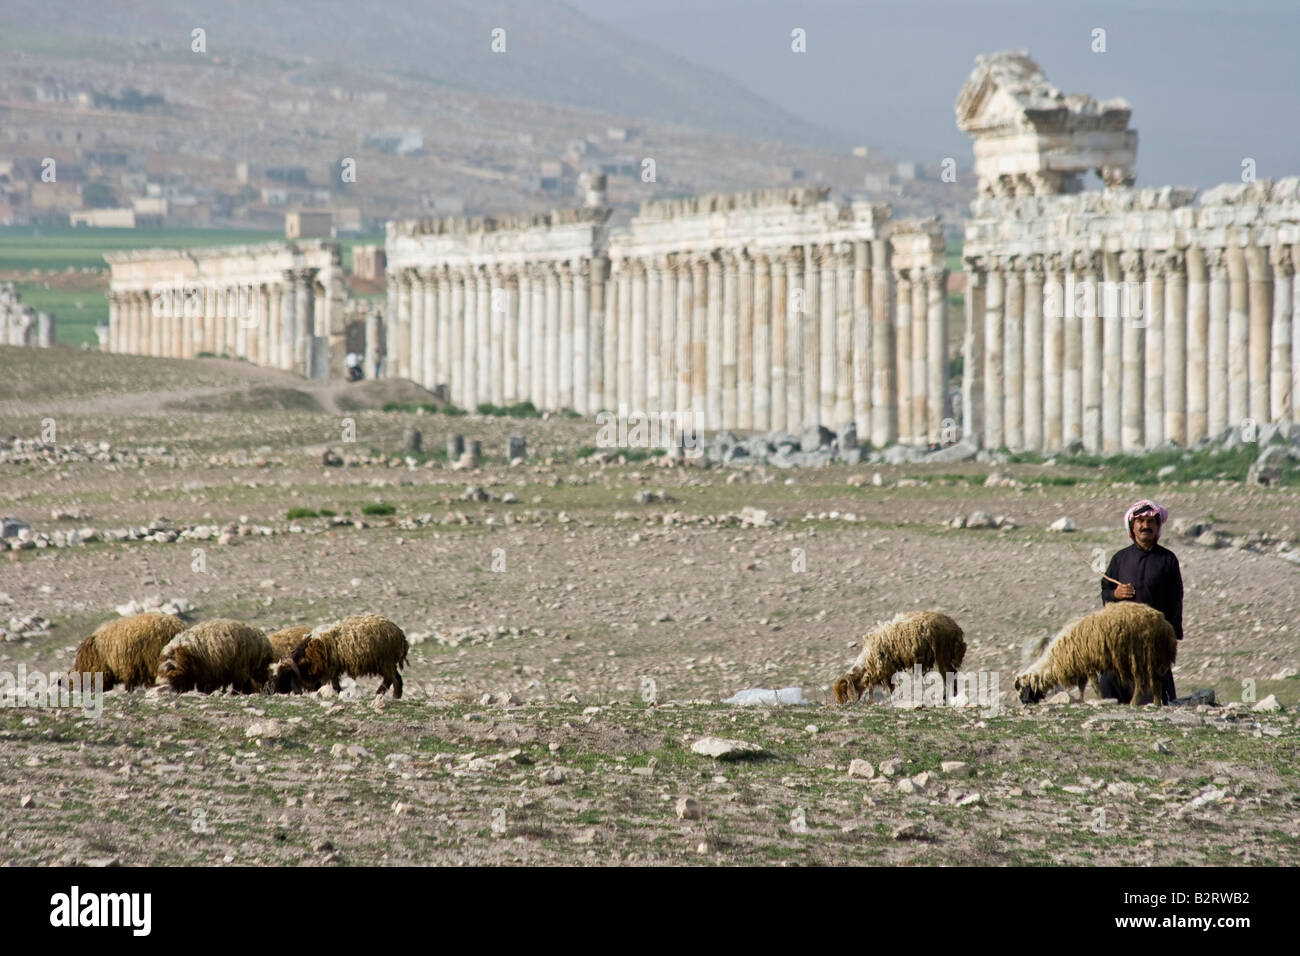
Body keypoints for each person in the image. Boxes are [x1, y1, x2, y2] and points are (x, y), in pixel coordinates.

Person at [1099, 498, 1183, 703]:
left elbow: (1176, 597)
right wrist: (1115, 594)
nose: (1146, 526)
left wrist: (1172, 632)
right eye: (1141, 521)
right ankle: (1115, 707)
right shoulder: (1120, 558)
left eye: (1151, 521)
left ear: (1158, 526)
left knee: (1158, 681)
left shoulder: (1168, 559)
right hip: (1124, 632)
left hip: (1155, 633)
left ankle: (1160, 705)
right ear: (1132, 526)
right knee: (1113, 675)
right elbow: (1105, 590)